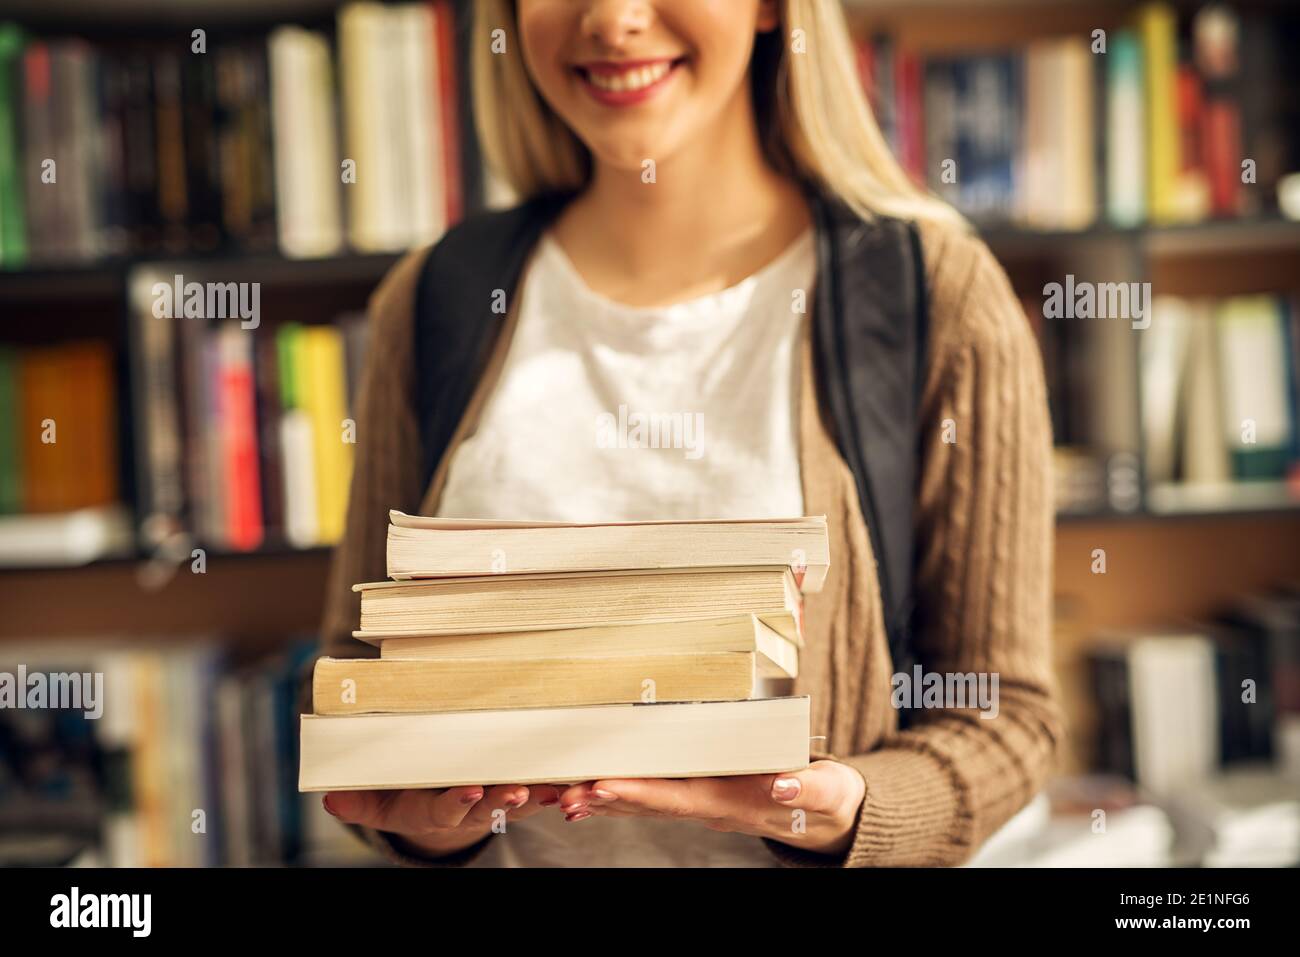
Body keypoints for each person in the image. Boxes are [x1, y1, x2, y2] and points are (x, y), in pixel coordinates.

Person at [315, 0, 1062, 867]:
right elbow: (352, 665)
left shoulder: (939, 294)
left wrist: (851, 807)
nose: (613, 19)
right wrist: (411, 819)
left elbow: (1008, 718)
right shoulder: (436, 295)